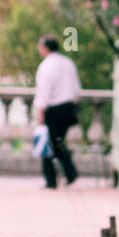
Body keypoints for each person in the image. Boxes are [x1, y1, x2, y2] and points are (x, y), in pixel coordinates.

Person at [33, 35, 81, 189]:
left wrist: (41, 111)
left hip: (53, 109)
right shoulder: (68, 63)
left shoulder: (46, 66)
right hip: (67, 108)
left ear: (45, 48)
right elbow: (76, 88)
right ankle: (66, 173)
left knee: (50, 144)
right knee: (57, 142)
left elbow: (44, 92)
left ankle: (55, 177)